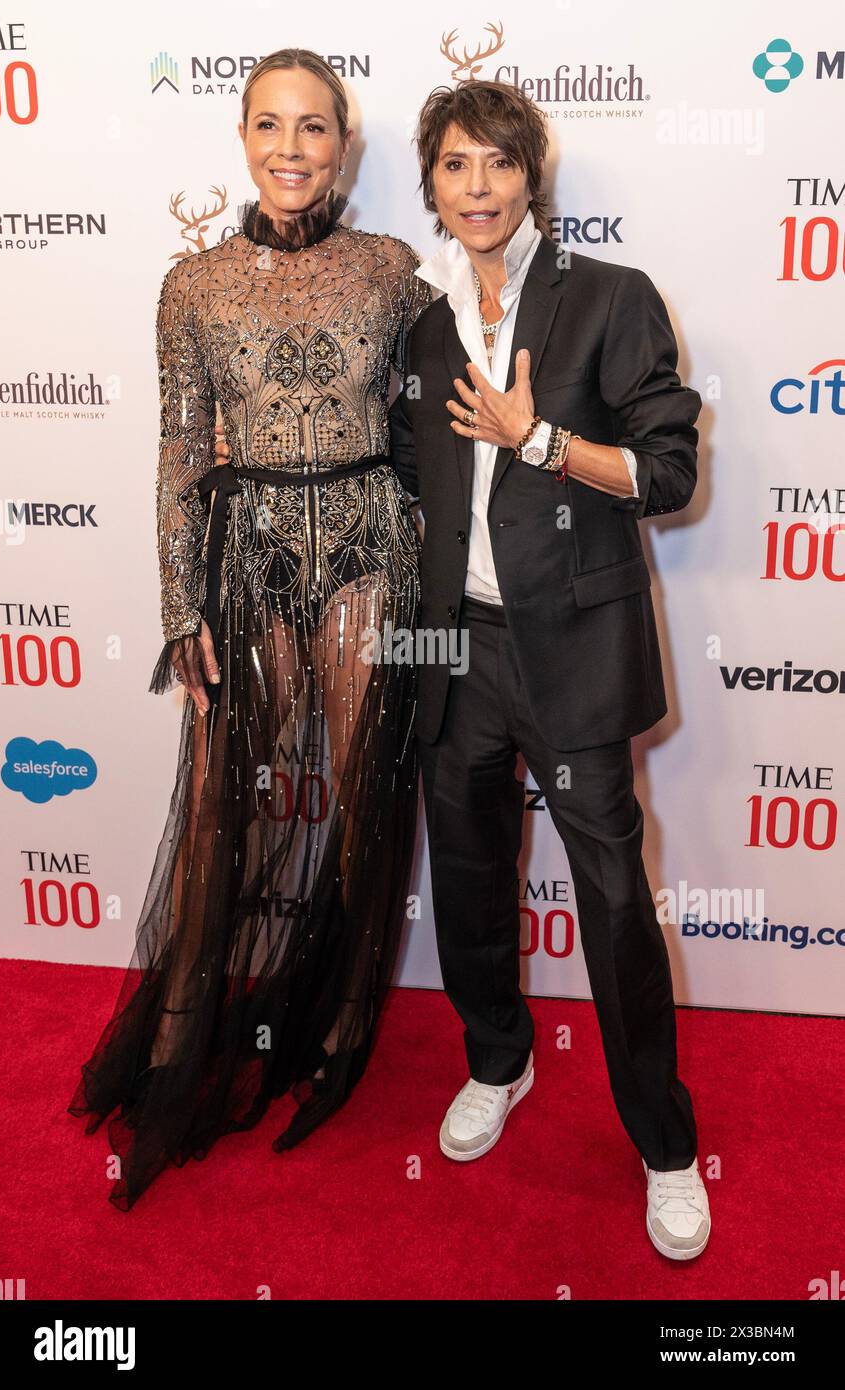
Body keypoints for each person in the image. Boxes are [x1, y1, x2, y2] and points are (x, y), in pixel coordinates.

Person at [67, 49, 432, 1212]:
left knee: (366, 791)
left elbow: (448, 394)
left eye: (314, 128)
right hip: (247, 549)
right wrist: (181, 607)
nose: (291, 148)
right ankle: (182, 1024)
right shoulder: (192, 285)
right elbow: (181, 450)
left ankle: (341, 1020)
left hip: (372, 539)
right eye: (270, 125)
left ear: (345, 146)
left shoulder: (390, 269)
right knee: (227, 791)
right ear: (240, 137)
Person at [388, 79, 711, 1260]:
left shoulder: (610, 301)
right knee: (469, 882)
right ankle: (498, 1061)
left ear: (533, 175)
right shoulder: (424, 331)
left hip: (569, 648)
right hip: (452, 644)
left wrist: (541, 441)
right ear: (431, 184)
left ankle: (666, 1145)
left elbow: (671, 477)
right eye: (456, 167)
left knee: (616, 904)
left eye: (498, 164)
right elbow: (410, 495)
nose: (477, 188)